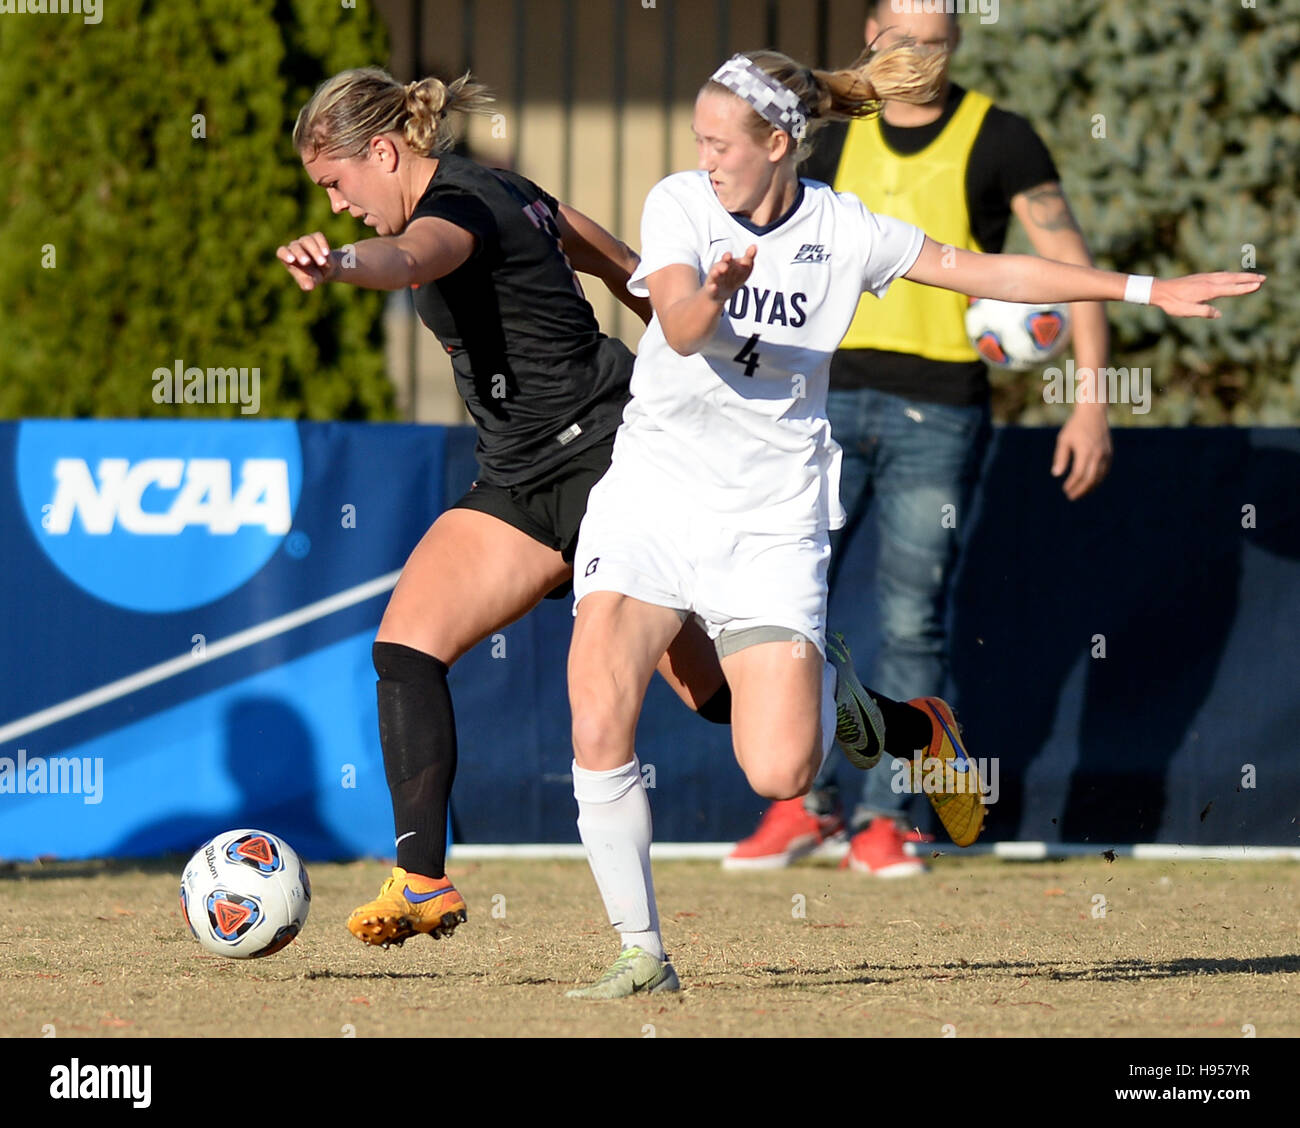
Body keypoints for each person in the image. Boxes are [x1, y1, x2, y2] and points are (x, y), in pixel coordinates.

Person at [564, 45, 1262, 998]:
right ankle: (643, 952)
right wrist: (711, 298)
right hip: (653, 490)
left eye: (722, 140)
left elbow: (988, 271)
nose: (706, 154)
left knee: (777, 770)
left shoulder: (846, 231)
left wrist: (1146, 291)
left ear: (780, 143)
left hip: (770, 515)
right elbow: (678, 323)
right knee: (598, 696)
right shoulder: (679, 202)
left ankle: (871, 713)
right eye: (700, 138)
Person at [276, 65, 740, 948]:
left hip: (614, 466)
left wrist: (337, 264)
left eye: (336, 184)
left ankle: (903, 724)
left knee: (729, 702)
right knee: (406, 647)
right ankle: (421, 880)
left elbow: (409, 258)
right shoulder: (512, 191)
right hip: (522, 478)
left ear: (382, 151)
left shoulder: (457, 210)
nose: (337, 205)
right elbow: (626, 271)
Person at [727, 2, 1116, 877]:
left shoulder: (1000, 136)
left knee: (910, 619)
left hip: (939, 411)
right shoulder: (824, 135)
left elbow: (1069, 264)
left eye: (938, 41)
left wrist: (1091, 401)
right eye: (904, 39)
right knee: (788, 608)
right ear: (870, 32)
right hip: (817, 403)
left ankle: (889, 818)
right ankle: (801, 805)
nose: (921, 57)